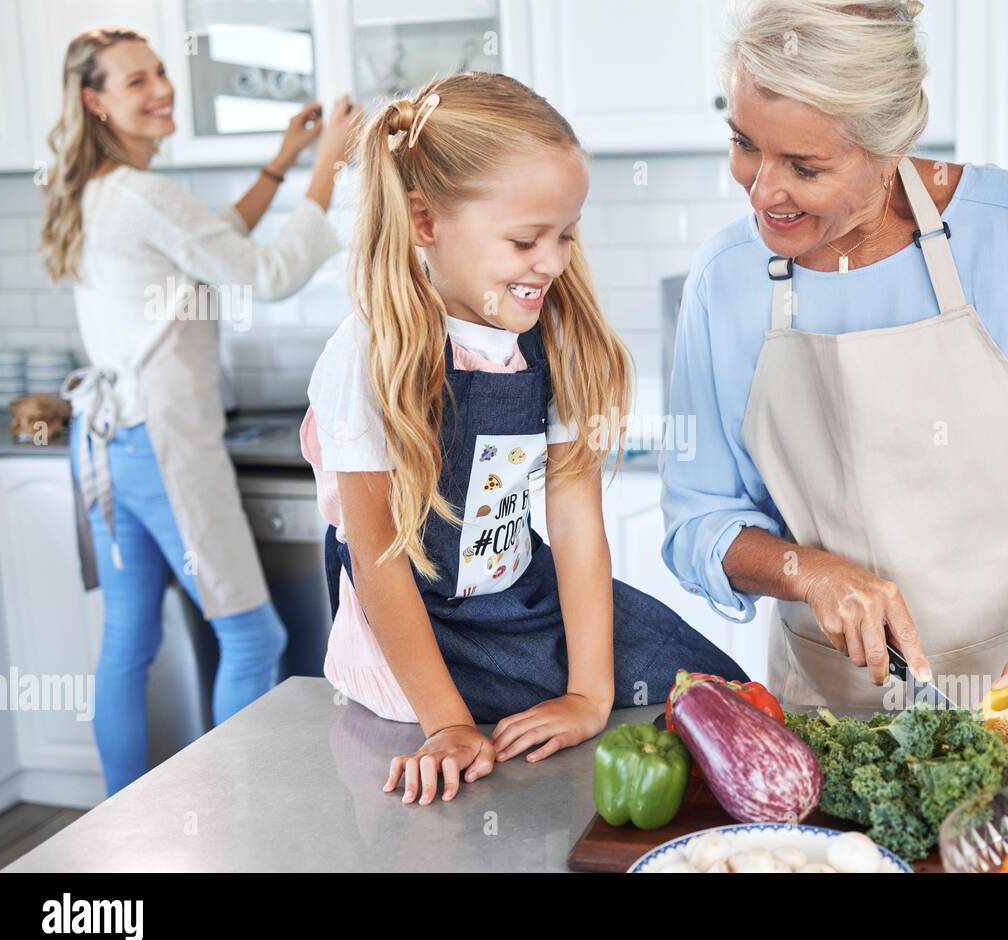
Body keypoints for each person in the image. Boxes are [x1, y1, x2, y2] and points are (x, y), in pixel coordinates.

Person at [661, 0, 1008, 738]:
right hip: (829, 727)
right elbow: (699, 520)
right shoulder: (726, 277)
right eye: (744, 144)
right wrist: (811, 571)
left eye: (804, 166)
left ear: (890, 144)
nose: (763, 190)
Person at [300, 72, 746, 805]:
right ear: (424, 222)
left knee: (722, 695)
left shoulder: (556, 334)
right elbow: (377, 560)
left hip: (521, 602)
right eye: (525, 239)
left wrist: (589, 696)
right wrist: (445, 723)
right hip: (419, 625)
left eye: (566, 233)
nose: (555, 261)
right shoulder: (368, 353)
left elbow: (573, 519)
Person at [39, 27, 359, 795]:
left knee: (129, 638)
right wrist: (323, 171)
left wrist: (280, 163)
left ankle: (117, 811)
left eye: (160, 73)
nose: (160, 90)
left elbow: (212, 242)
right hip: (164, 444)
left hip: (108, 440)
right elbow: (267, 273)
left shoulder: (98, 188)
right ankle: (229, 827)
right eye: (134, 81)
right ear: (95, 101)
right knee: (254, 637)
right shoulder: (143, 194)